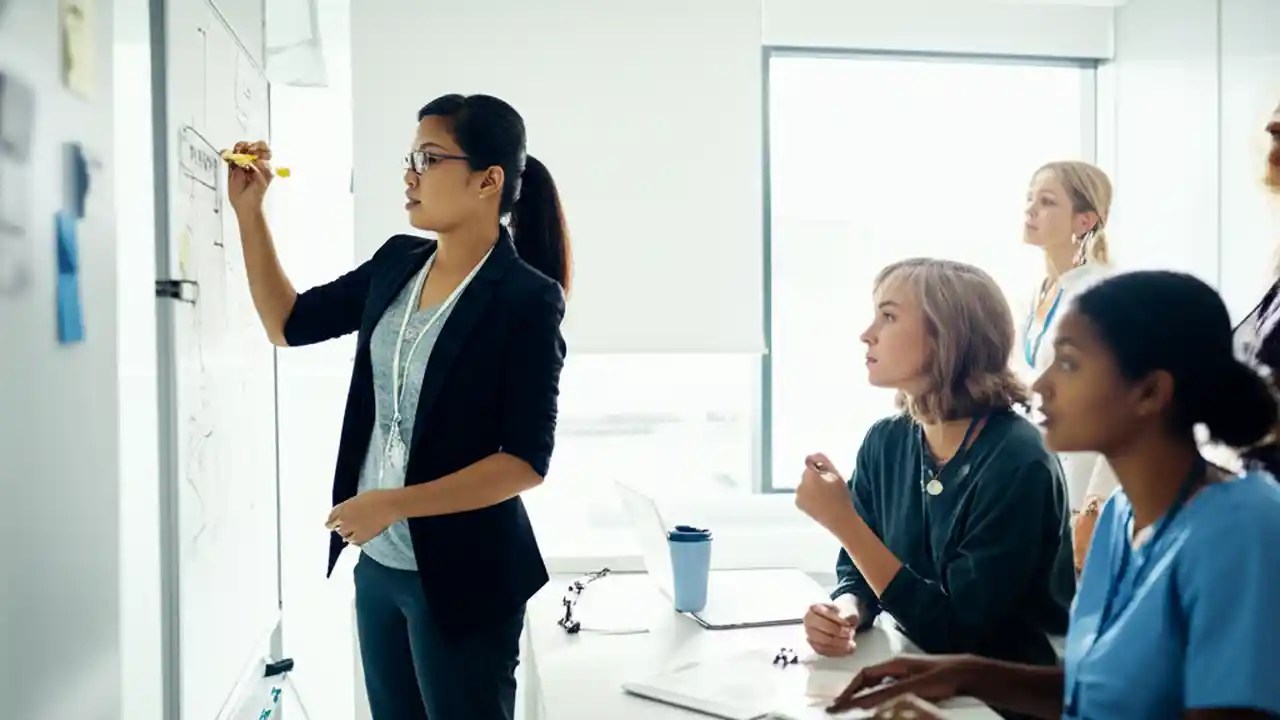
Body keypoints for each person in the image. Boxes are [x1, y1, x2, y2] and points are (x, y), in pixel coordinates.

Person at [226, 93, 570, 720]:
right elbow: (288, 323)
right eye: (410, 157)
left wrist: (391, 504)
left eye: (429, 158)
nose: (410, 174)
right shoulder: (396, 263)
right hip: (380, 569)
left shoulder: (526, 299)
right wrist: (251, 212)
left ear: (488, 180)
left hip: (464, 577)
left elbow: (524, 462)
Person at [830, 271, 1280, 720]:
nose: (1040, 384)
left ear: (1149, 392)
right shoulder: (1120, 518)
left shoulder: (1241, 528)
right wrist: (962, 674)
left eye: (1067, 362)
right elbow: (1098, 693)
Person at [794, 258, 1074, 669]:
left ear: (947, 337)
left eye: (888, 316)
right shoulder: (885, 441)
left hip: (1006, 698)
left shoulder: (1019, 461)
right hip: (924, 672)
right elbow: (859, 570)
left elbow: (956, 632)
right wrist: (847, 611)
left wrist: (844, 522)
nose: (866, 335)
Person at [1021, 160, 1119, 573]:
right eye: (1029, 199)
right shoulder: (1041, 293)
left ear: (1085, 220)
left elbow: (1122, 407)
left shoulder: (1100, 293)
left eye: (1046, 202)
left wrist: (1095, 507)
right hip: (1046, 483)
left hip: (1084, 486)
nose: (1029, 211)